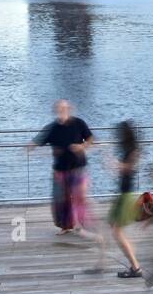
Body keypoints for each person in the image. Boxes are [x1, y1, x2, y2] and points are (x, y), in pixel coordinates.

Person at [28, 100, 94, 235]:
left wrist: (81, 146)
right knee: (61, 200)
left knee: (79, 197)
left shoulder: (79, 123)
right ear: (56, 111)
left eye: (64, 108)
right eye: (59, 109)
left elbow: (90, 139)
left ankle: (82, 225)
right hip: (60, 169)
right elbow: (37, 140)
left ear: (69, 109)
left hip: (78, 168)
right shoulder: (52, 128)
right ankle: (66, 226)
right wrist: (30, 147)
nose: (62, 111)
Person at [101, 120, 143, 278]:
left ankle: (135, 267)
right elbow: (122, 170)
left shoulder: (134, 151)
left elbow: (128, 168)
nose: (118, 136)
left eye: (120, 133)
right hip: (122, 193)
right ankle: (132, 259)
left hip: (126, 195)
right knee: (112, 226)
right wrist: (113, 165)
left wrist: (113, 162)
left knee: (116, 231)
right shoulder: (128, 149)